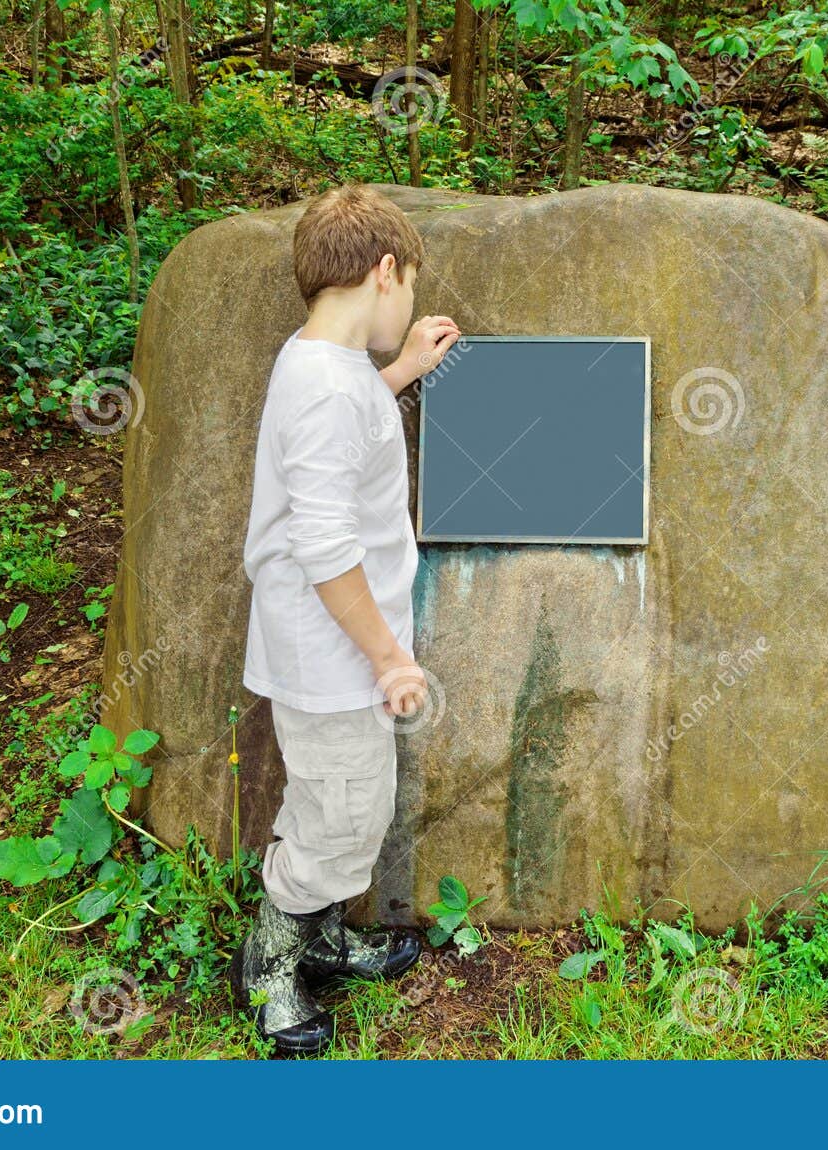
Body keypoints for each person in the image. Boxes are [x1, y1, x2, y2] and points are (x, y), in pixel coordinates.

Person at [231, 184, 460, 1056]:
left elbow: (350, 428)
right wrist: (391, 659)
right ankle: (271, 965)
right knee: (343, 814)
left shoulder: (327, 363)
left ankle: (321, 940)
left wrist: (403, 369)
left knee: (337, 799)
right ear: (386, 271)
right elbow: (325, 549)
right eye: (410, 286)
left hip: (335, 649)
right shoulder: (326, 387)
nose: (407, 302)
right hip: (331, 653)